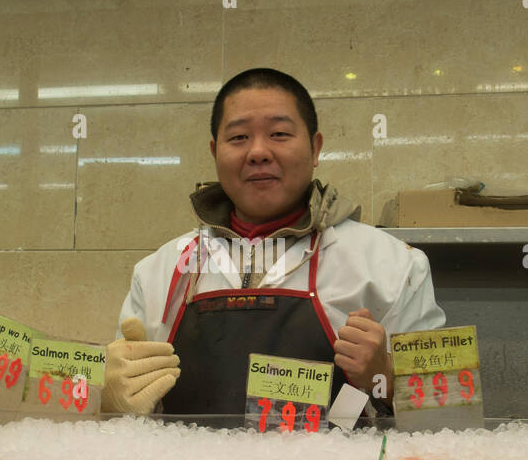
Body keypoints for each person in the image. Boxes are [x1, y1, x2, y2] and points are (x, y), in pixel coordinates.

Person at [102, 67, 446, 418]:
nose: (258, 152)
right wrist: (111, 401)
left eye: (279, 133)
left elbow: (446, 419)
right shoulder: (157, 273)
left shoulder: (392, 265)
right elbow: (123, 428)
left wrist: (386, 379)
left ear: (315, 148)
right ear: (214, 151)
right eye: (238, 138)